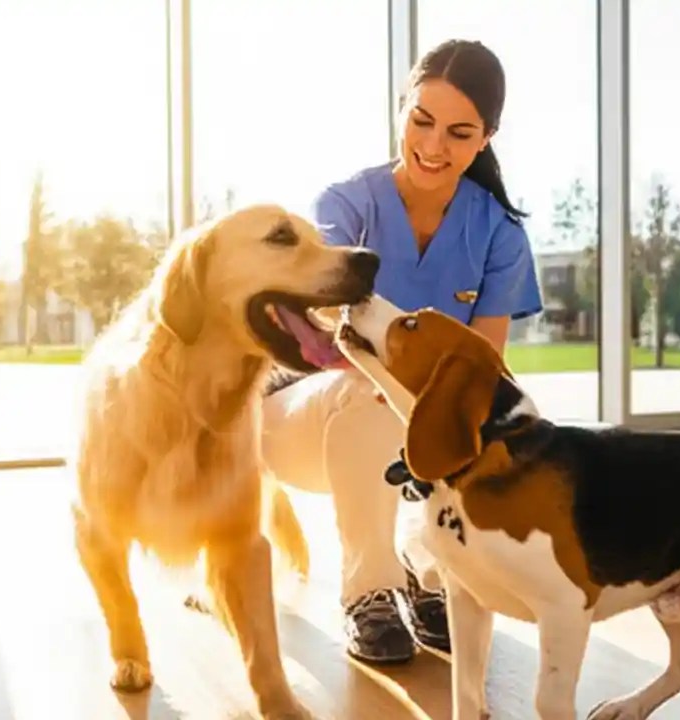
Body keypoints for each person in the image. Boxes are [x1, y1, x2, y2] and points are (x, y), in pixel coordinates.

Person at [260, 38, 543, 664]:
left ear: (487, 137)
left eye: (459, 132)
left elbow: (483, 372)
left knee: (478, 414)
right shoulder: (345, 205)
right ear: (401, 110)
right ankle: (371, 589)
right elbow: (334, 324)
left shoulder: (498, 233)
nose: (434, 146)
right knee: (370, 385)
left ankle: (427, 568)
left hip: (416, 432)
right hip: (301, 420)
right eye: (421, 121)